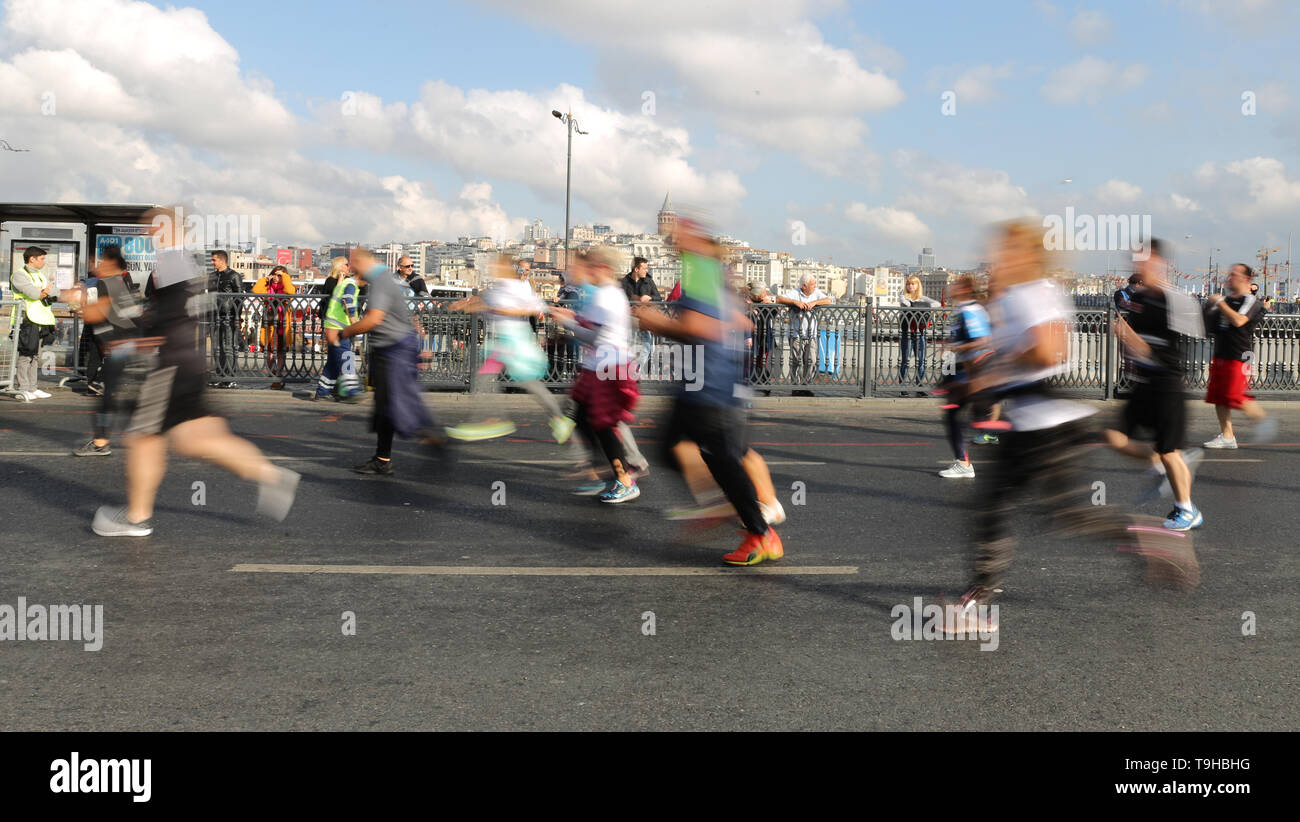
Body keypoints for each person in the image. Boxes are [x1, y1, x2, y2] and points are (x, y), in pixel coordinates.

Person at [942, 221, 1199, 634]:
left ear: (1025, 255)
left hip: (1041, 423)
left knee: (993, 508)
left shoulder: (1029, 294)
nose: (995, 259)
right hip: (1049, 421)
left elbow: (1050, 350)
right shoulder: (1029, 292)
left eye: (1004, 252)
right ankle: (1152, 540)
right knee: (1067, 516)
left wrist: (994, 375)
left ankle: (977, 606)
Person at [92, 211, 299, 536]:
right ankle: (269, 475)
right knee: (196, 439)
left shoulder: (172, 260)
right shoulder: (186, 261)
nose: (149, 233)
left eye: (154, 227)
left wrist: (143, 338)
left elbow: (172, 309)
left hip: (168, 364)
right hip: (189, 362)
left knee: (143, 438)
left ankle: (136, 518)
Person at [633, 220, 782, 565]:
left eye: (679, 232)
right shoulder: (715, 271)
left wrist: (652, 320)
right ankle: (723, 507)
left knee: (722, 461)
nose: (670, 236)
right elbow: (738, 321)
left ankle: (758, 531)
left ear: (695, 239)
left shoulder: (699, 267)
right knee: (673, 445)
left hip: (709, 383)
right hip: (704, 381)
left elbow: (697, 328)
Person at [1104, 238, 1206, 531]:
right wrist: (1127, 355)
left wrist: (1125, 336)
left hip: (1167, 385)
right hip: (1143, 383)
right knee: (1113, 437)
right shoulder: (1139, 299)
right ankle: (1163, 467)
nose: (1138, 265)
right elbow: (1137, 341)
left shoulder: (1175, 301)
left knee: (1168, 450)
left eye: (1144, 259)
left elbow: (1158, 352)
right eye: (1136, 259)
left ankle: (1187, 509)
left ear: (1161, 263)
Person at [444, 254, 574, 444]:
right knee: (488, 377)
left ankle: (499, 419)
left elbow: (534, 307)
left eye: (495, 266)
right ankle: (494, 419)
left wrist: (506, 311)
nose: (492, 269)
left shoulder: (518, 287)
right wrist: (463, 305)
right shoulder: (499, 288)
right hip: (504, 341)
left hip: (516, 341)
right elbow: (484, 303)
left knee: (529, 384)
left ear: (504, 268)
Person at [340, 249, 446, 475]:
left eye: (354, 264)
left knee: (398, 407)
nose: (352, 269)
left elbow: (373, 319)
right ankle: (382, 459)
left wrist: (344, 333)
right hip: (391, 349)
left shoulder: (381, 282)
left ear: (363, 262)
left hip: (394, 350)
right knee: (386, 407)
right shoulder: (385, 279)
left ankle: (436, 439)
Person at [550, 247, 640, 503]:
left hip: (608, 366)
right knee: (584, 419)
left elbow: (595, 335)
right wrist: (569, 317)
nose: (588, 271)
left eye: (592, 267)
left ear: (604, 268)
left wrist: (567, 323)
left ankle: (624, 479)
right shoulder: (606, 294)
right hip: (599, 365)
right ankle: (612, 473)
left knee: (602, 423)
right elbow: (589, 324)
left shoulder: (607, 296)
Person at [72, 245, 142, 456]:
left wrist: (73, 300)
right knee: (108, 394)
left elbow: (96, 315)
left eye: (101, 261)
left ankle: (102, 442)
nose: (98, 264)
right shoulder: (119, 282)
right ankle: (104, 440)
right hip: (125, 343)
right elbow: (132, 314)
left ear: (111, 263)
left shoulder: (105, 284)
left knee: (107, 396)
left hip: (120, 345)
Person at [1202, 263, 1276, 447]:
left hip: (1240, 354)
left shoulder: (1250, 300)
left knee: (1236, 396)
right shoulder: (1226, 300)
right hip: (1221, 353)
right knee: (1218, 396)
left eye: (1234, 274)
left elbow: (1238, 320)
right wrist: (1209, 306)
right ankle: (1227, 436)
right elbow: (1210, 326)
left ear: (1245, 279)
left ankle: (1265, 423)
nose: (1229, 277)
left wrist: (1219, 302)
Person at [934, 275, 992, 479]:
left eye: (956, 284)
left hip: (971, 371)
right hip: (962, 369)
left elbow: (982, 340)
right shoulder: (961, 309)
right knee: (954, 414)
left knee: (954, 415)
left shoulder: (970, 310)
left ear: (965, 289)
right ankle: (964, 460)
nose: (951, 287)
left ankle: (964, 462)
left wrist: (954, 346)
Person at [9, 246, 58, 400]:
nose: (45, 261)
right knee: (26, 354)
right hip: (26, 319)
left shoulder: (41, 275)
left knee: (35, 355)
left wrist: (43, 291)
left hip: (41, 319)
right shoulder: (19, 274)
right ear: (32, 259)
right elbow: (33, 293)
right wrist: (42, 291)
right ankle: (22, 389)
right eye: (42, 258)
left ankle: (33, 388)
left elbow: (54, 293)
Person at [314, 256, 363, 402]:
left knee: (334, 361)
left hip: (334, 326)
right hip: (338, 327)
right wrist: (355, 323)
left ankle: (323, 391)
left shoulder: (348, 283)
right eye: (346, 265)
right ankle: (352, 391)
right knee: (346, 357)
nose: (348, 267)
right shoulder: (346, 283)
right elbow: (345, 301)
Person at [776, 273, 832, 394]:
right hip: (796, 334)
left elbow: (828, 300)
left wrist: (815, 303)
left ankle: (807, 386)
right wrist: (794, 302)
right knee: (796, 361)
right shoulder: (795, 292)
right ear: (804, 286)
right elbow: (779, 299)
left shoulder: (816, 292)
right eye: (813, 284)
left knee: (811, 361)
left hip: (811, 335)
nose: (815, 286)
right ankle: (795, 387)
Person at [253, 265, 296, 387]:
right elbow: (256, 291)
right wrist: (266, 279)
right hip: (270, 323)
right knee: (269, 352)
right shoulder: (267, 288)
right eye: (275, 275)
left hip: (282, 324)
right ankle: (273, 374)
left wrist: (285, 277)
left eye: (279, 276)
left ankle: (278, 375)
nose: (276, 278)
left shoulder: (288, 287)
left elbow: (290, 291)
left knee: (281, 352)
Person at [899, 275, 940, 396]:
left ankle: (919, 386)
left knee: (921, 360)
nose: (910, 286)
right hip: (908, 332)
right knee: (906, 360)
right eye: (908, 284)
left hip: (920, 333)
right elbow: (905, 303)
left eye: (913, 284)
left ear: (918, 286)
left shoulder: (923, 298)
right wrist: (921, 306)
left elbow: (937, 304)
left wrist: (922, 305)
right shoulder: (903, 296)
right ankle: (902, 386)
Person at [209, 250, 244, 388]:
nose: (212, 262)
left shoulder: (234, 275)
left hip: (229, 316)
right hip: (215, 316)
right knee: (216, 347)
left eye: (214, 260)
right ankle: (219, 375)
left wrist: (238, 318)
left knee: (228, 346)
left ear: (222, 261)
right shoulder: (212, 276)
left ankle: (229, 377)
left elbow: (239, 297)